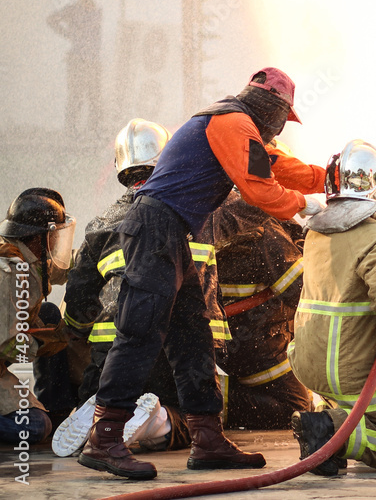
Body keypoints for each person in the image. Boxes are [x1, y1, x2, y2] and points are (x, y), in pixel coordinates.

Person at [79, 67, 326, 480]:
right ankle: (104, 439)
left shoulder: (236, 125)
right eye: (284, 117)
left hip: (173, 234)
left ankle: (207, 438)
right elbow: (259, 189)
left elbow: (280, 168)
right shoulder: (231, 121)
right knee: (141, 330)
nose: (282, 126)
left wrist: (330, 177)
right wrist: (307, 205)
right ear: (272, 108)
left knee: (194, 335)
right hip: (156, 229)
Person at [53, 119, 193, 457]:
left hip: (109, 357)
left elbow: (79, 300)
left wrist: (80, 335)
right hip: (169, 353)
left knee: (105, 396)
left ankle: (93, 413)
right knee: (190, 422)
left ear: (121, 168)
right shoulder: (189, 214)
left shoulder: (99, 225)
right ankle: (155, 420)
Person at [289, 140, 376, 474]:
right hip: (348, 370)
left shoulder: (317, 232)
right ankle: (335, 434)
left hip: (306, 362)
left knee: (349, 407)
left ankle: (327, 427)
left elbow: (356, 242)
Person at [210, 189, 312, 430]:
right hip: (257, 351)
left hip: (212, 347)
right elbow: (305, 293)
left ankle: (199, 393)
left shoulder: (201, 218)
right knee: (295, 408)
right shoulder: (263, 229)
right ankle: (208, 397)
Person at [0, 188, 75, 445]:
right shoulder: (9, 275)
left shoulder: (26, 255)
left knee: (49, 314)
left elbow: (60, 268)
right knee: (34, 426)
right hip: (3, 347)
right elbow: (8, 345)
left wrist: (100, 250)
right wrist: (47, 341)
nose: (58, 240)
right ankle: (48, 418)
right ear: (39, 238)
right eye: (55, 235)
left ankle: (57, 410)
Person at [48, 0, 102, 134]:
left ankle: (93, 131)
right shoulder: (72, 9)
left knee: (94, 97)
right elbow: (51, 19)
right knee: (76, 96)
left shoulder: (97, 10)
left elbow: (97, 36)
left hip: (93, 59)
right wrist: (68, 34)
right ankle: (71, 131)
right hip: (77, 59)